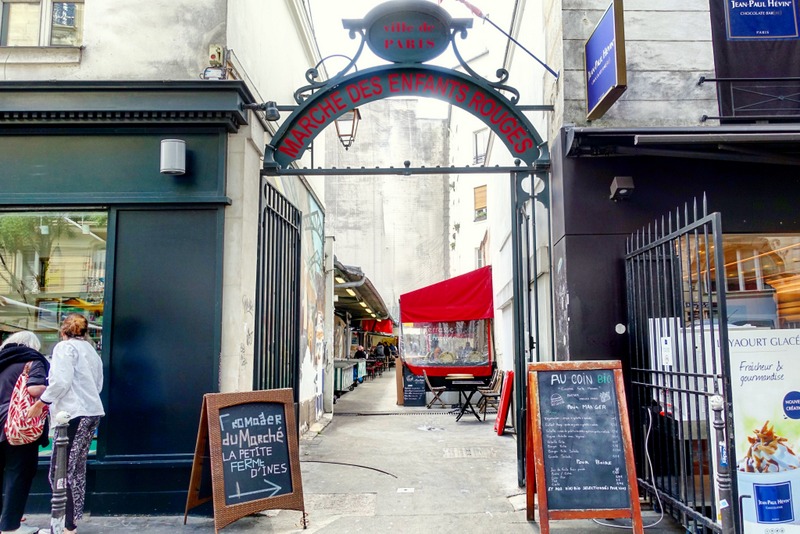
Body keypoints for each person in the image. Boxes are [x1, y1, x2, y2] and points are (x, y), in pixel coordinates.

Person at [27, 314, 104, 534]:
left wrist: (40, 404)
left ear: (63, 331)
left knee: (59, 470)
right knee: (76, 468)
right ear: (85, 331)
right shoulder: (91, 351)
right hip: (91, 411)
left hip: (71, 413)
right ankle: (71, 522)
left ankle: (65, 525)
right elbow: (97, 384)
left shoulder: (64, 348)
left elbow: (61, 381)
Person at [0, 331, 49, 534]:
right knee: (19, 473)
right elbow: (35, 389)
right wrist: (54, 389)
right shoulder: (32, 360)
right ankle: (11, 527)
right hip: (18, 426)